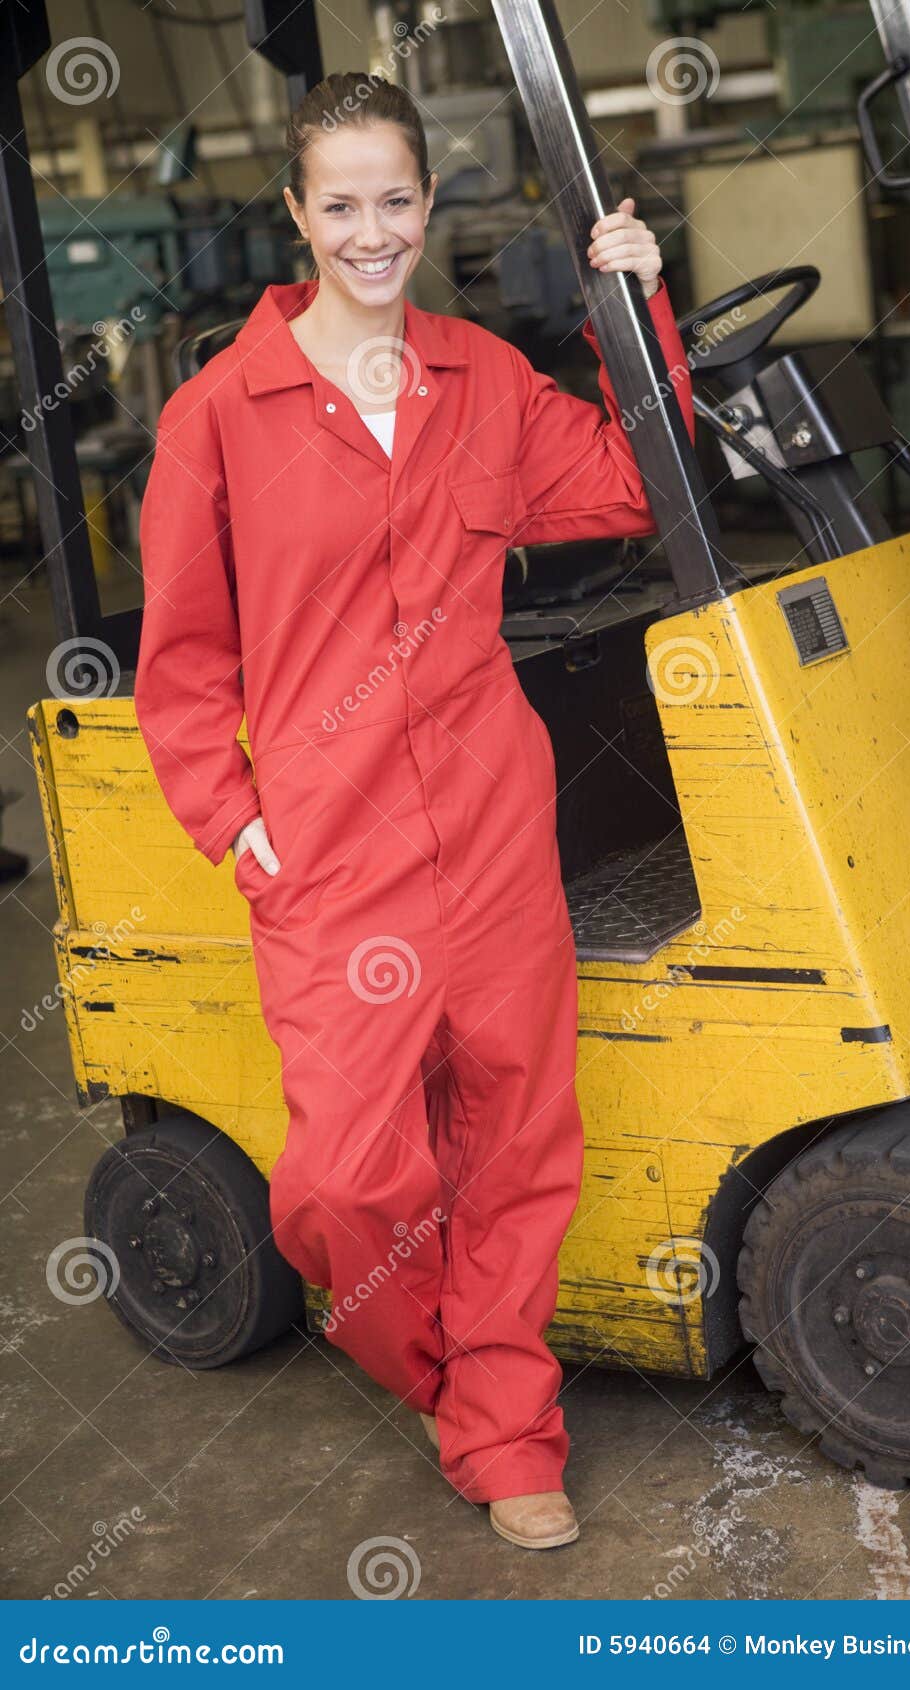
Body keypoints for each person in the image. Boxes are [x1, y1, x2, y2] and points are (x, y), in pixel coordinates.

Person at [134, 70, 694, 1550]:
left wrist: (636, 314)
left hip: (495, 831)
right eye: (342, 204)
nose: (370, 231)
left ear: (427, 206)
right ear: (300, 214)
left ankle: (510, 1432)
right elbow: (182, 662)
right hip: (333, 852)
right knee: (342, 1181)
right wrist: (234, 821)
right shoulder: (215, 421)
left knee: (517, 1141)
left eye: (396, 201)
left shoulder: (483, 380)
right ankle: (450, 1369)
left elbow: (639, 482)